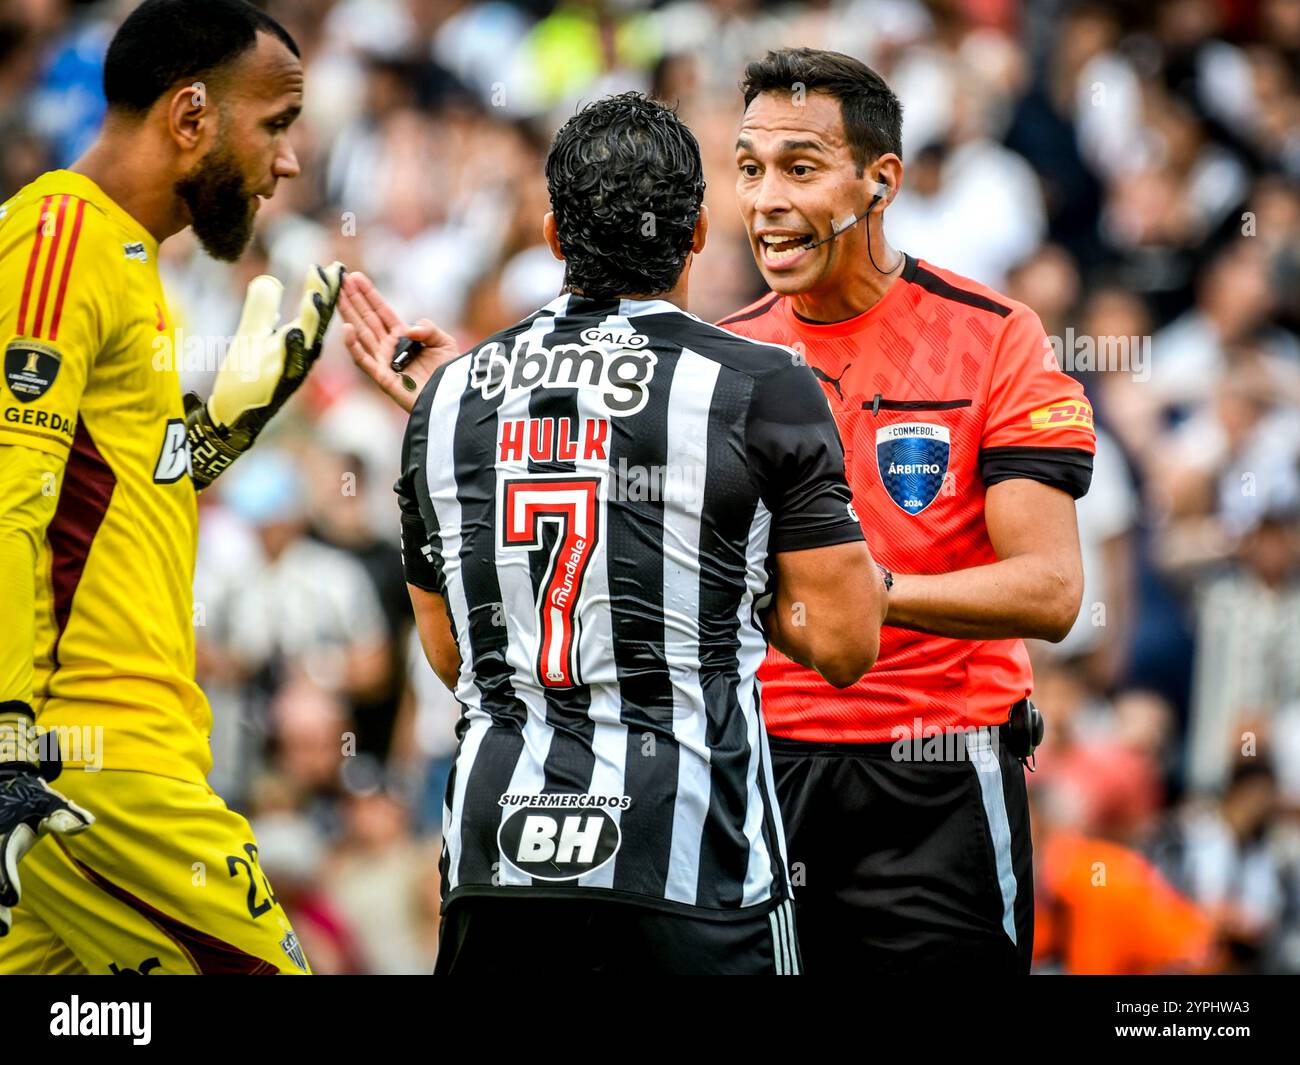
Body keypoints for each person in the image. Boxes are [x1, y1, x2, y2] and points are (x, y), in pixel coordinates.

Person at [339, 92, 885, 974]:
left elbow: (451, 656)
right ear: (700, 232)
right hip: (691, 867)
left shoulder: (444, 399)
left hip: (496, 865)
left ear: (552, 235)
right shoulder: (763, 384)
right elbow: (849, 642)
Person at [719, 49, 1096, 974]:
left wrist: (871, 593)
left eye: (800, 168)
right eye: (749, 168)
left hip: (940, 777)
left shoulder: (993, 336)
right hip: (762, 771)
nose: (766, 197)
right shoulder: (721, 357)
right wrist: (453, 405)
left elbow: (1051, 591)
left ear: (880, 179)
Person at [0, 0, 343, 974]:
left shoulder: (125, 261)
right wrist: (7, 740)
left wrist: (223, 429)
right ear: (191, 115)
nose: (287, 162)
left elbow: (96, 503)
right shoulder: (60, 236)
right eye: (275, 125)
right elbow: (7, 496)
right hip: (96, 772)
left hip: (98, 764)